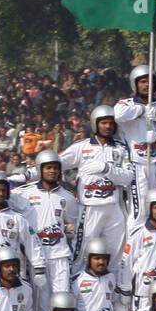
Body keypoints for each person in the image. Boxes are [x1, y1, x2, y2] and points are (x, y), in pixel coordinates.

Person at [60, 105, 133, 274]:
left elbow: (128, 177)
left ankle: (113, 291)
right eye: (104, 123)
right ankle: (76, 286)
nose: (108, 126)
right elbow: (54, 164)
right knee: (82, 250)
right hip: (90, 207)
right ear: (95, 124)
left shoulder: (121, 148)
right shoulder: (82, 147)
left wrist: (106, 169)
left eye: (110, 123)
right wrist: (27, 175)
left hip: (115, 207)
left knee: (116, 252)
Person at [14, 151, 79, 311]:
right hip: (37, 258)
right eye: (48, 168)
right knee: (42, 305)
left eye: (56, 168)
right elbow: (0, 195)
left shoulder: (67, 196)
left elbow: (76, 222)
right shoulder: (24, 193)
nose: (52, 171)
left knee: (62, 299)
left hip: (60, 256)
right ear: (40, 169)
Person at [114, 65, 156, 227]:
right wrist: (141, 110)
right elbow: (118, 115)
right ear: (135, 84)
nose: (146, 85)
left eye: (149, 81)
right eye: (142, 81)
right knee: (139, 209)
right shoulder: (125, 104)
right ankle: (133, 247)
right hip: (135, 163)